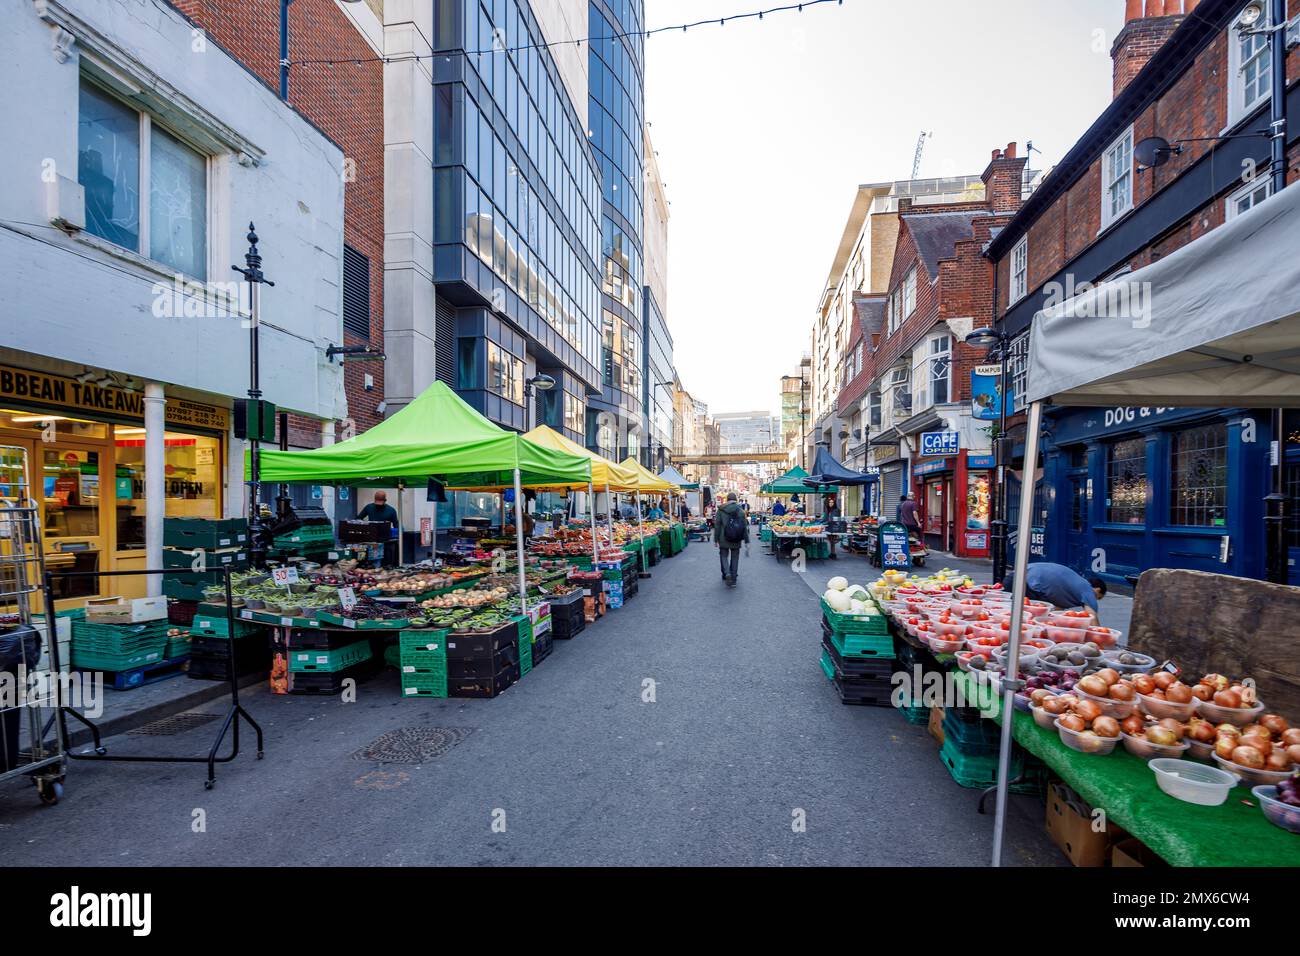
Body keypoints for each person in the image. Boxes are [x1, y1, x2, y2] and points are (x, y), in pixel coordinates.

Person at [1003, 563, 1107, 626]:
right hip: (1027, 584)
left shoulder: (1072, 586)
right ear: (1097, 590)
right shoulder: (1087, 589)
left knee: (1010, 617)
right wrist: (1101, 640)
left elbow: (1055, 611)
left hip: (1014, 577)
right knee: (1022, 619)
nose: (1095, 600)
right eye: (1098, 598)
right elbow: (1092, 618)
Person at [713, 492, 750, 587]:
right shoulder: (741, 511)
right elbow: (744, 527)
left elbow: (717, 525)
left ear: (727, 500)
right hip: (736, 538)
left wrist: (716, 539)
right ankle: (733, 578)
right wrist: (747, 541)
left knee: (724, 556)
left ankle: (727, 573)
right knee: (735, 557)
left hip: (723, 537)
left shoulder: (721, 510)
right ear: (736, 500)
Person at [357, 491, 400, 566]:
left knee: (384, 561)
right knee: (373, 560)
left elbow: (396, 525)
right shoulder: (369, 507)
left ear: (385, 500)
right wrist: (363, 527)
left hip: (386, 539)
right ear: (374, 500)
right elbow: (358, 518)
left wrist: (396, 535)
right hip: (371, 538)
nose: (378, 506)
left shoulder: (391, 510)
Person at [824, 495, 841, 559]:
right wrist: (821, 522)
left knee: (832, 540)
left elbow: (833, 519)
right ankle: (832, 553)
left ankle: (833, 554)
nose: (831, 504)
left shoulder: (836, 510)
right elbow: (825, 518)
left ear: (834, 503)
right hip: (829, 526)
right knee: (831, 540)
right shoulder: (828, 510)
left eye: (832, 502)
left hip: (834, 527)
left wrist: (826, 522)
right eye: (830, 502)